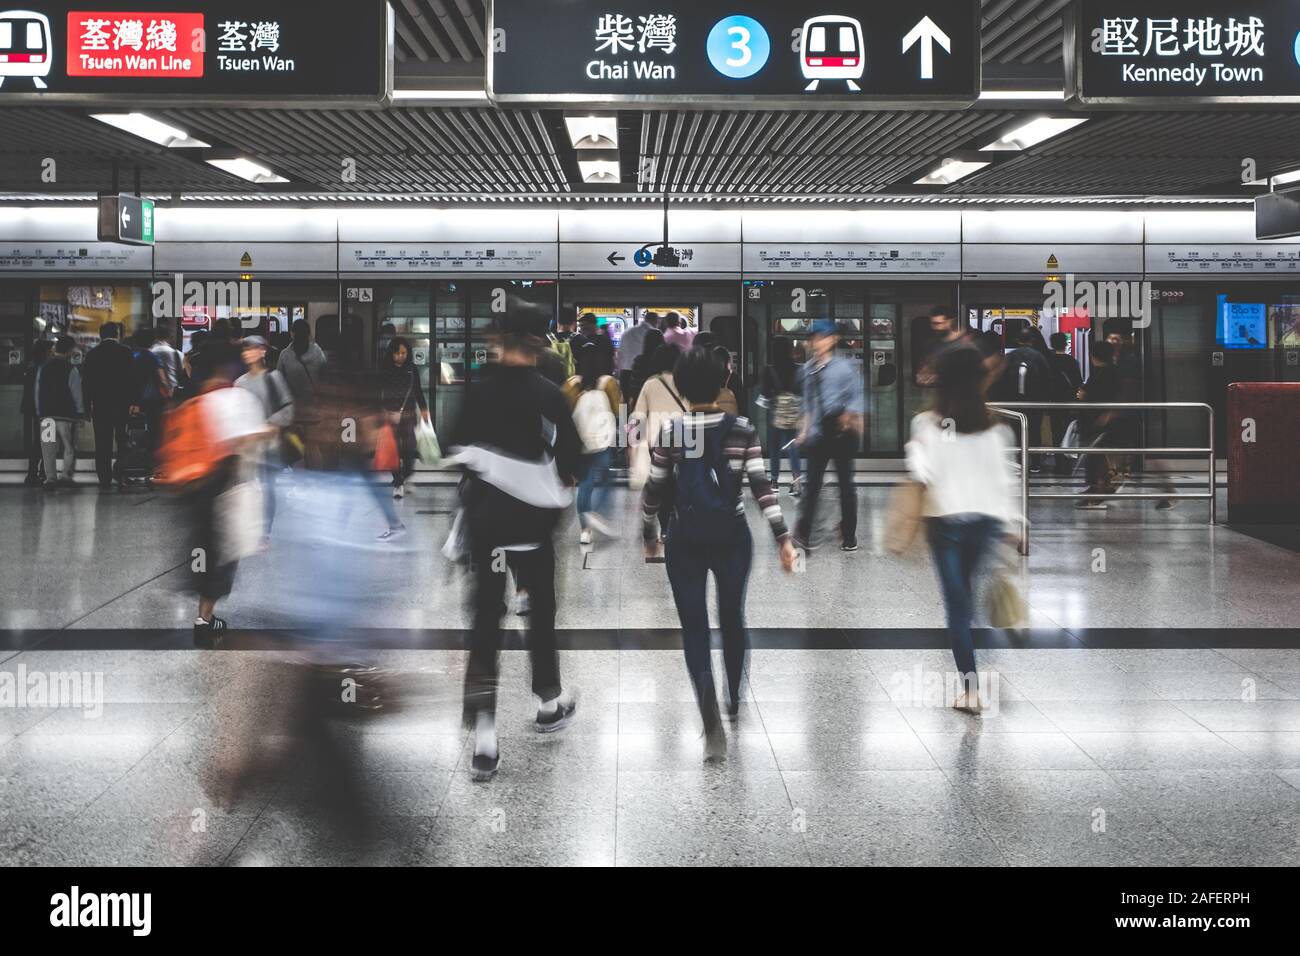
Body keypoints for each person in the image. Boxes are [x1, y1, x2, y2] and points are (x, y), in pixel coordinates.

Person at [641, 347, 796, 761]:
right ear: (723, 382)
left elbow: (655, 488)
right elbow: (763, 486)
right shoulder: (742, 428)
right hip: (732, 534)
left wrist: (648, 530)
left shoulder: (672, 431)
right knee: (731, 618)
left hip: (685, 535)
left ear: (683, 387)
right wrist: (782, 535)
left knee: (694, 627)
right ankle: (733, 699)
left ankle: (709, 714)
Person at [450, 322, 582, 782]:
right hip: (533, 530)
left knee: (485, 622)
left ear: (496, 345)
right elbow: (573, 462)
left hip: (486, 530)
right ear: (536, 347)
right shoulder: (549, 394)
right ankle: (548, 702)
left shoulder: (477, 393)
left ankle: (485, 738)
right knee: (541, 610)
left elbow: (454, 448)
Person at [906, 346, 1016, 712]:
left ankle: (971, 690)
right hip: (984, 523)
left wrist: (918, 453)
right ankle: (979, 665)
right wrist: (1015, 525)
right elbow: (1004, 480)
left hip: (946, 523)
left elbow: (922, 472)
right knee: (967, 599)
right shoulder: (996, 428)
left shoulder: (926, 423)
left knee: (957, 607)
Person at [181, 341, 272, 640]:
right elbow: (249, 443)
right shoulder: (238, 399)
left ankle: (203, 618)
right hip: (227, 490)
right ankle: (205, 620)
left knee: (205, 549)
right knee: (224, 554)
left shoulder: (194, 402)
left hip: (195, 490)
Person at [795, 320, 864, 553]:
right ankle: (803, 533)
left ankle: (849, 534)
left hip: (841, 434)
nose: (818, 342)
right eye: (814, 338)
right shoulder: (806, 369)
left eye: (823, 337)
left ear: (833, 339)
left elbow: (857, 397)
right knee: (812, 484)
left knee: (846, 485)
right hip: (817, 435)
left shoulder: (844, 368)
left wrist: (850, 417)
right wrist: (804, 431)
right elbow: (808, 403)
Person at [235, 335, 295, 544]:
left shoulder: (274, 377)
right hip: (248, 447)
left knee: (268, 487)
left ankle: (264, 532)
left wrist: (271, 424)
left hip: (269, 444)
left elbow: (289, 408)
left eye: (253, 349)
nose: (248, 353)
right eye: (245, 349)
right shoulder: (239, 383)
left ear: (263, 352)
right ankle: (250, 527)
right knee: (248, 488)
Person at [564, 343, 622, 546]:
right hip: (602, 441)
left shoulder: (571, 384)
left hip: (580, 442)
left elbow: (564, 413)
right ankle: (597, 512)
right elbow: (617, 411)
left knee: (585, 484)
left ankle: (585, 530)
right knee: (606, 479)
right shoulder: (608, 383)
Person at [629, 343, 689, 500]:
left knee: (659, 486)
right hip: (682, 440)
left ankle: (663, 517)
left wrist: (633, 446)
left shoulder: (651, 383)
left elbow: (638, 417)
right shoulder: (686, 382)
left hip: (656, 442)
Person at [80, 322, 136, 490]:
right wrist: (134, 402)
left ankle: (104, 479)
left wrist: (86, 406)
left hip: (100, 405)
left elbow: (86, 383)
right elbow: (132, 380)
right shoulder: (125, 352)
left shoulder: (92, 354)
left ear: (100, 335)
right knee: (122, 441)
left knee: (102, 442)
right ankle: (121, 474)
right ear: (117, 334)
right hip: (122, 405)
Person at [379, 336, 430, 500]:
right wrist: (385, 411)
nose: (401, 356)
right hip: (390, 415)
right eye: (397, 353)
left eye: (403, 353)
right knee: (392, 450)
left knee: (409, 449)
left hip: (408, 415)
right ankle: (398, 483)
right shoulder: (385, 370)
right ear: (391, 354)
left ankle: (406, 474)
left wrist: (423, 409)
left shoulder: (412, 369)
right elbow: (379, 392)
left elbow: (418, 391)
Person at [999, 325, 1053, 474]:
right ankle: (1035, 463)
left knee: (1016, 431)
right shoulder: (1039, 357)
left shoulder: (1010, 357)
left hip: (1014, 402)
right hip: (1034, 401)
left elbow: (1002, 380)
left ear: (1017, 340)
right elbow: (1047, 380)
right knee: (1034, 431)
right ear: (1033, 340)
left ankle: (1019, 462)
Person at [1076, 338, 1121, 510]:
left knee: (1097, 456)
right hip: (1098, 419)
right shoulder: (1109, 371)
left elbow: (1096, 395)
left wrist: (1083, 396)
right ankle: (1096, 486)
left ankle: (1100, 488)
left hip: (1098, 420)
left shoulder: (1103, 373)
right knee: (1095, 455)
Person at [36, 335, 84, 489]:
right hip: (66, 416)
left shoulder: (43, 368)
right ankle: (65, 476)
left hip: (47, 415)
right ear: (69, 350)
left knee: (48, 448)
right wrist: (80, 413)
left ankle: (50, 478)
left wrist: (40, 412)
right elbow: (76, 393)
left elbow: (38, 391)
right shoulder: (71, 369)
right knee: (69, 446)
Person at [760, 336, 803, 496]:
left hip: (775, 413)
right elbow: (802, 391)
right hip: (792, 413)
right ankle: (796, 482)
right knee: (793, 446)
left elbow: (765, 394)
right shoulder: (798, 368)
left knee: (774, 448)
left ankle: (774, 482)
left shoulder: (769, 369)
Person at [1047, 333, 1084, 476]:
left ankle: (1058, 464)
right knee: (1068, 432)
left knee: (1056, 432)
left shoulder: (1049, 361)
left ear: (1052, 344)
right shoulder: (1072, 362)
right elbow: (1078, 383)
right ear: (1066, 344)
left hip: (1053, 402)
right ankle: (1068, 464)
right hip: (1069, 401)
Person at [129, 327, 166, 460]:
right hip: (153, 401)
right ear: (152, 341)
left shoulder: (132, 357)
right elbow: (162, 379)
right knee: (155, 432)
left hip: (136, 400)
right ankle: (151, 460)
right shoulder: (153, 358)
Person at [20, 340, 53, 486]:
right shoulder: (43, 367)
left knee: (41, 441)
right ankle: (39, 472)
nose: (52, 352)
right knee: (45, 442)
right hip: (44, 409)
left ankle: (37, 472)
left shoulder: (32, 366)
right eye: (50, 350)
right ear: (44, 351)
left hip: (36, 409)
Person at [916, 308, 974, 386]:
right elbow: (924, 371)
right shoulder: (931, 344)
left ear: (949, 322)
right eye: (932, 323)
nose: (934, 327)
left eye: (938, 323)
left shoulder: (966, 344)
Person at [617, 311, 658, 399]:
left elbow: (619, 354)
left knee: (624, 400)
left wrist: (619, 372)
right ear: (656, 321)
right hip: (642, 374)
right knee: (640, 401)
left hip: (625, 372)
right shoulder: (653, 334)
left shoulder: (627, 332)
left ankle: (624, 413)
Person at [151, 325, 183, 399]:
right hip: (172, 392)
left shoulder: (150, 353)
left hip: (153, 394)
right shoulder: (176, 353)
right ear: (169, 337)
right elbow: (181, 372)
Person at [712, 346, 739, 415]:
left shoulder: (711, 379)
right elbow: (741, 402)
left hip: (715, 420)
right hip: (732, 420)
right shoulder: (734, 378)